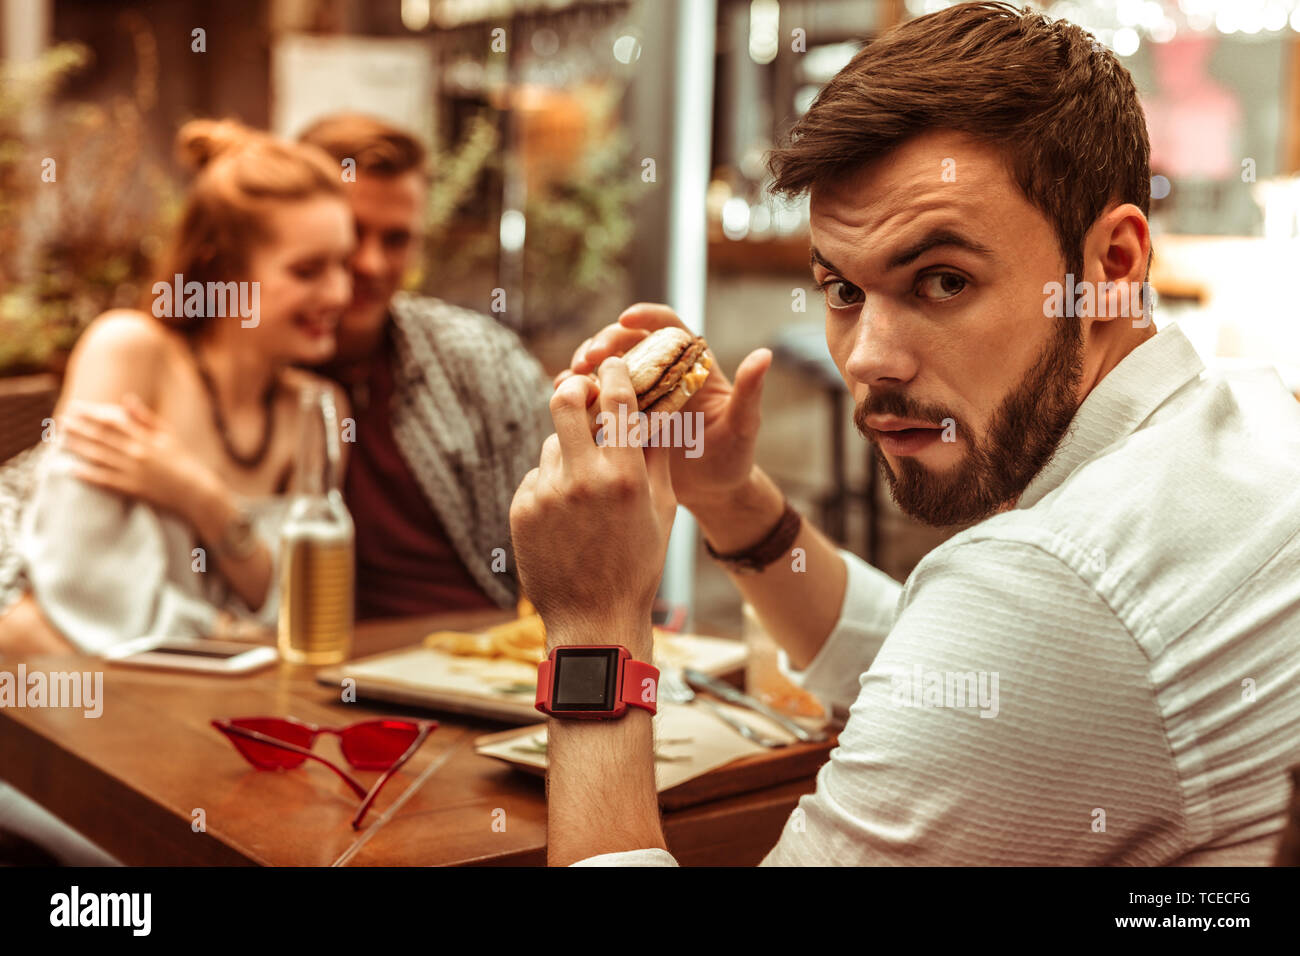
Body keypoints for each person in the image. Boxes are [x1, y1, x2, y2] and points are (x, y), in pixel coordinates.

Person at [509, 2, 1300, 865]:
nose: (869, 360)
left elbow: (1035, 639)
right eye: (843, 290)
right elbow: (955, 679)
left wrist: (595, 627)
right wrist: (735, 505)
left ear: (1110, 267)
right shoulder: (1247, 417)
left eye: (943, 280)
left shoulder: (1058, 587)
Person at [0, 119, 353, 656]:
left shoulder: (320, 406)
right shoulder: (129, 350)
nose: (339, 292)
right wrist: (224, 633)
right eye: (307, 271)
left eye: (342, 265)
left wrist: (201, 497)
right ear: (224, 271)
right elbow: (79, 590)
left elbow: (302, 614)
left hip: (211, 701)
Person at [296, 113, 552, 619]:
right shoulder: (242, 373)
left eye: (396, 239)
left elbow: (576, 540)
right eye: (352, 233)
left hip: (481, 662)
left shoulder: (480, 359)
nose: (370, 263)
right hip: (309, 670)